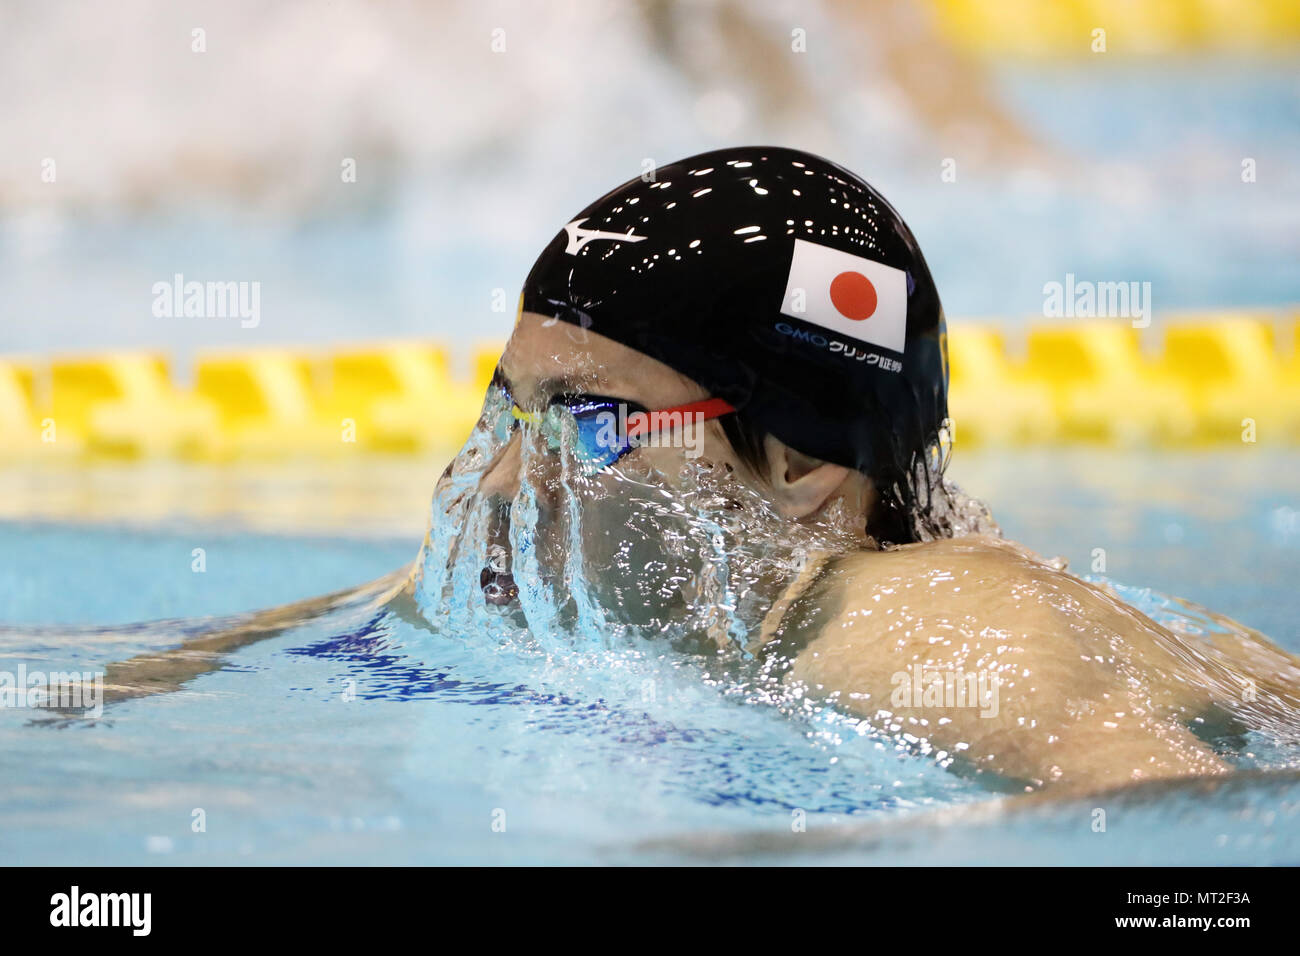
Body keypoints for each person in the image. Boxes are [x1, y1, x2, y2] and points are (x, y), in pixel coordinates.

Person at [100, 147, 1300, 794]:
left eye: (588, 423)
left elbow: (1184, 851)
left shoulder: (940, 640)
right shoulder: (554, 577)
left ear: (796, 465)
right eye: (507, 410)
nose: (510, 485)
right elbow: (335, 629)